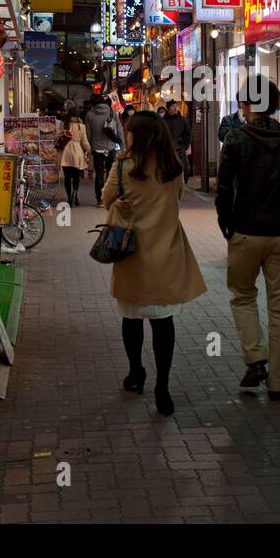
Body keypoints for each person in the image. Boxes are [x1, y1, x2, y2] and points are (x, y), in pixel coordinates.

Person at [101, 111, 206, 416]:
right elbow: (178, 196)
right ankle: (163, 386)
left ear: (139, 134)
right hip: (166, 252)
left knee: (131, 317)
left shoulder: (123, 166)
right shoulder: (173, 166)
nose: (127, 134)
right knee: (163, 321)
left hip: (130, 252)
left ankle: (136, 373)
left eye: (130, 131)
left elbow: (108, 199)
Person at [216, 75, 280, 401]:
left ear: (246, 105)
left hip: (245, 232)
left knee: (242, 296)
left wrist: (226, 225)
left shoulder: (235, 140)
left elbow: (223, 189)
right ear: (274, 105)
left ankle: (256, 358)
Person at [84, 94, 124, 205]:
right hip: (111, 147)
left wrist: (90, 147)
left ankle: (100, 199)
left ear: (93, 103)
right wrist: (122, 144)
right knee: (111, 174)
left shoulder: (89, 115)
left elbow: (88, 134)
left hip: (97, 149)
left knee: (99, 174)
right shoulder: (112, 111)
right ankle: (109, 197)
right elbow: (119, 129)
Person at [58, 109, 91, 206]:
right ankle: (75, 194)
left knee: (67, 177)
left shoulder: (64, 125)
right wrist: (89, 149)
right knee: (76, 176)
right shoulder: (81, 126)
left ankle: (69, 198)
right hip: (77, 153)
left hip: (65, 153)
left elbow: (58, 137)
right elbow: (84, 142)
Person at [161, 100, 192, 179]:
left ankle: (182, 185)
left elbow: (188, 134)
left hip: (180, 150)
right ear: (168, 108)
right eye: (173, 106)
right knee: (168, 171)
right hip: (167, 150)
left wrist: (185, 146)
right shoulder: (163, 121)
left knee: (185, 170)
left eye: (176, 106)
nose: (175, 108)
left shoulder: (183, 120)